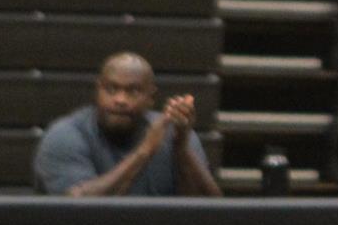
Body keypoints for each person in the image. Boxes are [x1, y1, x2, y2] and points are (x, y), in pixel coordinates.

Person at [33, 51, 222, 198]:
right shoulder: (65, 136)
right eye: (111, 89)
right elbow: (78, 212)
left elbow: (211, 214)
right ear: (98, 90)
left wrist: (181, 149)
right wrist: (144, 151)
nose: (120, 100)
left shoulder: (174, 135)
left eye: (133, 91)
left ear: (151, 98)